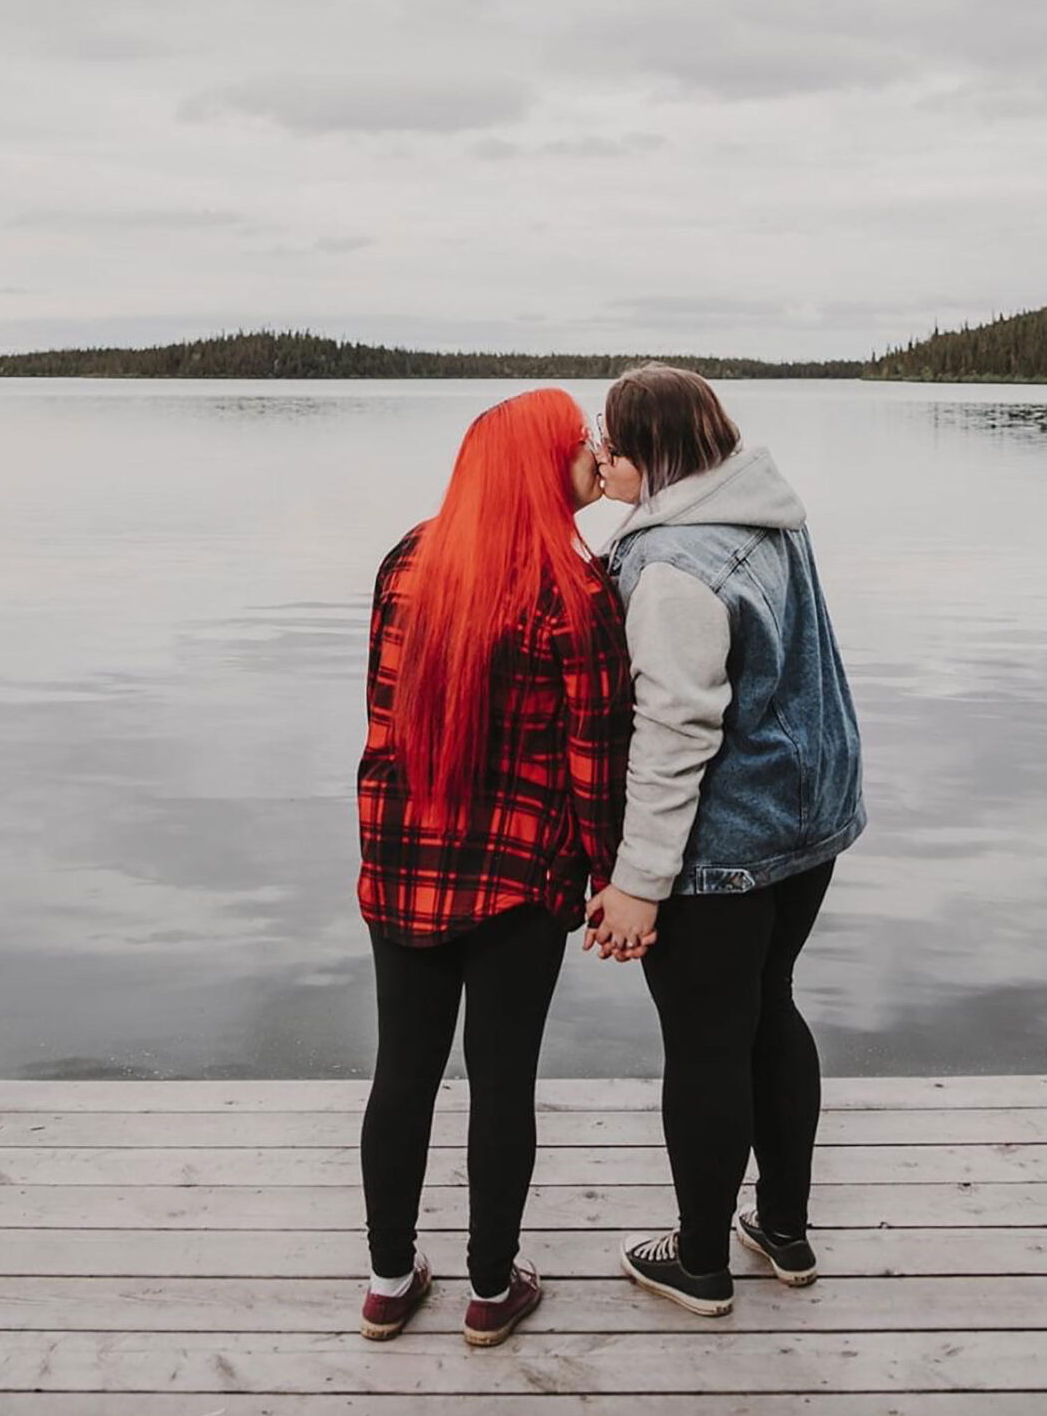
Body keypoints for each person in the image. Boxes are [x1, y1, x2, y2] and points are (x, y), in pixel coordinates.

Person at [584, 364, 864, 1317]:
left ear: (656, 450)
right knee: (769, 1009)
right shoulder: (768, 515)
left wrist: (637, 882)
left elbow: (673, 734)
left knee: (704, 1045)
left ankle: (698, 1258)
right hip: (809, 823)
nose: (598, 455)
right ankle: (782, 1232)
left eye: (612, 441)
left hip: (724, 843)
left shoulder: (671, 569)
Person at [356, 387, 631, 1347]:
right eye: (579, 444)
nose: (595, 456)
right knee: (500, 1081)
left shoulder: (407, 558)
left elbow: (384, 720)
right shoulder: (575, 587)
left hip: (406, 864)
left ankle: (390, 1282)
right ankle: (487, 1288)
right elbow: (596, 758)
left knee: (402, 1072)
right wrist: (611, 878)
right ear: (537, 463)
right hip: (517, 877)